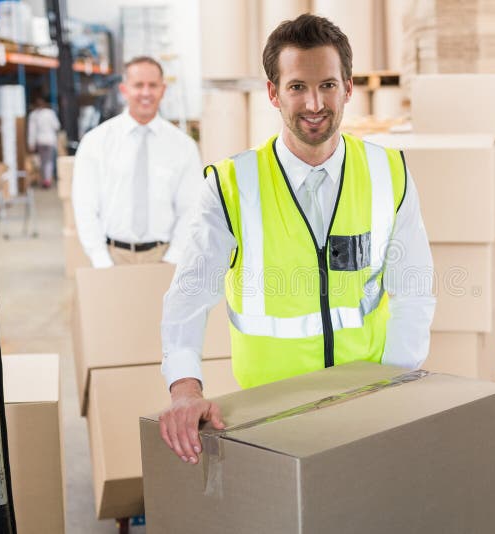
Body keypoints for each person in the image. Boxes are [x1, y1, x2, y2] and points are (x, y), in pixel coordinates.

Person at [158, 14, 436, 463]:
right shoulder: (231, 185)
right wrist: (185, 390)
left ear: (348, 88)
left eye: (327, 85)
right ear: (273, 92)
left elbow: (414, 289)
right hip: (269, 413)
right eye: (296, 87)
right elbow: (188, 295)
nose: (313, 103)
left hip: (365, 401)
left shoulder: (390, 174)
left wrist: (393, 385)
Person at [71, 56, 202, 267]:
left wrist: (173, 257)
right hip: (112, 256)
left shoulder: (183, 147)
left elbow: (191, 208)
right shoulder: (96, 142)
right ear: (124, 90)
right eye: (138, 85)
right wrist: (100, 258)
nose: (146, 93)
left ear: (163, 90)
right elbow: (85, 205)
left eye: (153, 85)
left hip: (164, 255)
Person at [27, 96, 60, 189]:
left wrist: (31, 144)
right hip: (50, 140)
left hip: (40, 141)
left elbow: (31, 131)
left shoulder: (33, 115)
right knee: (49, 161)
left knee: (43, 161)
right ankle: (47, 180)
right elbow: (57, 126)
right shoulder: (50, 113)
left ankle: (44, 179)